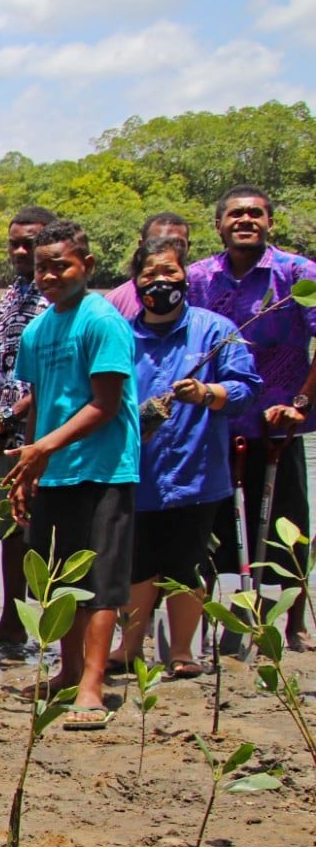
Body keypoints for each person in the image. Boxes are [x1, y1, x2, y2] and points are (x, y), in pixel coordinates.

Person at [4, 219, 140, 729]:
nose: (50, 275)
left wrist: (45, 446)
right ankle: (67, 669)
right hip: (54, 470)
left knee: (102, 582)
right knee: (60, 579)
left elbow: (105, 403)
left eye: (60, 264)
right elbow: (40, 400)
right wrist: (29, 466)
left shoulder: (102, 321)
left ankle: (92, 683)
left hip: (104, 470)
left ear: (87, 266)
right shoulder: (39, 329)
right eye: (42, 266)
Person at [115, 235, 258, 678]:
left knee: (186, 564)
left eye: (169, 273)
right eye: (150, 274)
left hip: (197, 472)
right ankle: (130, 647)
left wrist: (207, 393)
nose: (160, 282)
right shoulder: (121, 334)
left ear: (185, 277)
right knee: (137, 565)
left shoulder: (215, 330)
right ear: (136, 282)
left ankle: (181, 651)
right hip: (136, 473)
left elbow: (246, 388)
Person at [188, 184, 316, 650]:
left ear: (270, 223)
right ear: (219, 224)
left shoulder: (298, 273)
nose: (246, 221)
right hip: (217, 421)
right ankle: (221, 620)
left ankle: (294, 623)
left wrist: (299, 405)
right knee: (215, 528)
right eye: (236, 214)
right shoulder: (199, 277)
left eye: (256, 214)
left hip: (278, 423)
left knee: (289, 526)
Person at [0, 206, 58, 650]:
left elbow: (50, 379)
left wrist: (8, 416)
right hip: (4, 436)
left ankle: (53, 627)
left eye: (33, 242)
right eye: (16, 243)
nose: (22, 251)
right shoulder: (11, 295)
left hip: (44, 434)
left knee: (47, 532)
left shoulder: (56, 298)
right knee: (9, 529)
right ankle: (12, 619)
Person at [106, 213, 190, 318]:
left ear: (188, 247)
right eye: (157, 242)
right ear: (141, 246)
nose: (168, 250)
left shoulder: (201, 294)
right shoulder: (113, 304)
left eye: (178, 244)